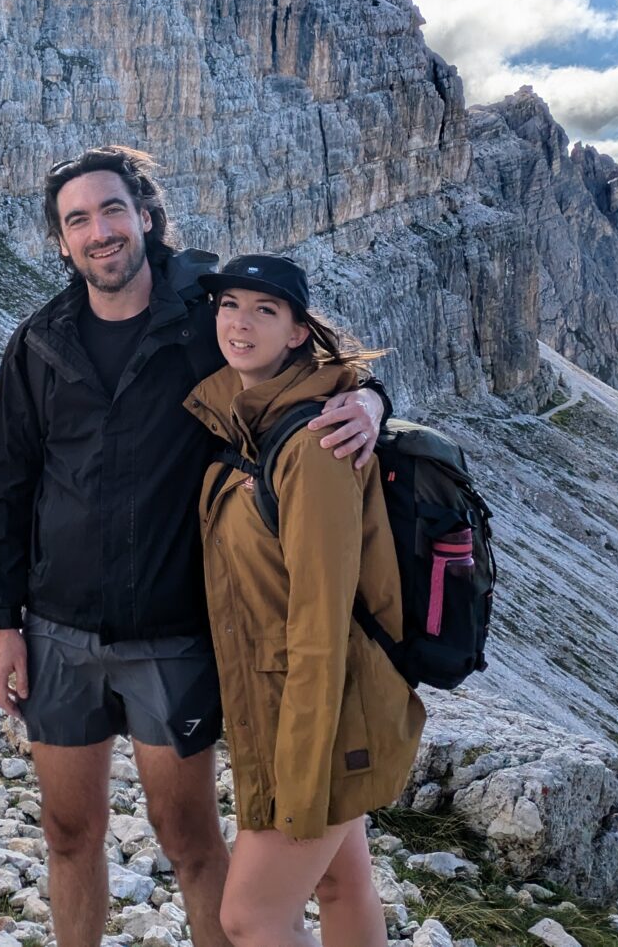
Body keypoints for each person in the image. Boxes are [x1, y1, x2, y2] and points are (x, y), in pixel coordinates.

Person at [0, 147, 393, 947]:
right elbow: (1, 483)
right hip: (58, 630)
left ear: (146, 216)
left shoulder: (206, 315)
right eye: (78, 220)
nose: (100, 232)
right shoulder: (40, 343)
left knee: (190, 838)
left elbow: (314, 362)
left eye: (112, 211)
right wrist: (3, 624)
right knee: (67, 831)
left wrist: (369, 401)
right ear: (61, 242)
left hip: (173, 636)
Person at [184, 254, 425, 947]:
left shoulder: (314, 445)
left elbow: (320, 624)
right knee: (341, 882)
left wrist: (301, 772)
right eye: (229, 304)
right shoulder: (254, 419)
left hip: (321, 715)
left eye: (265, 310)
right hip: (300, 706)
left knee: (249, 918)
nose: (240, 322)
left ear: (297, 334)